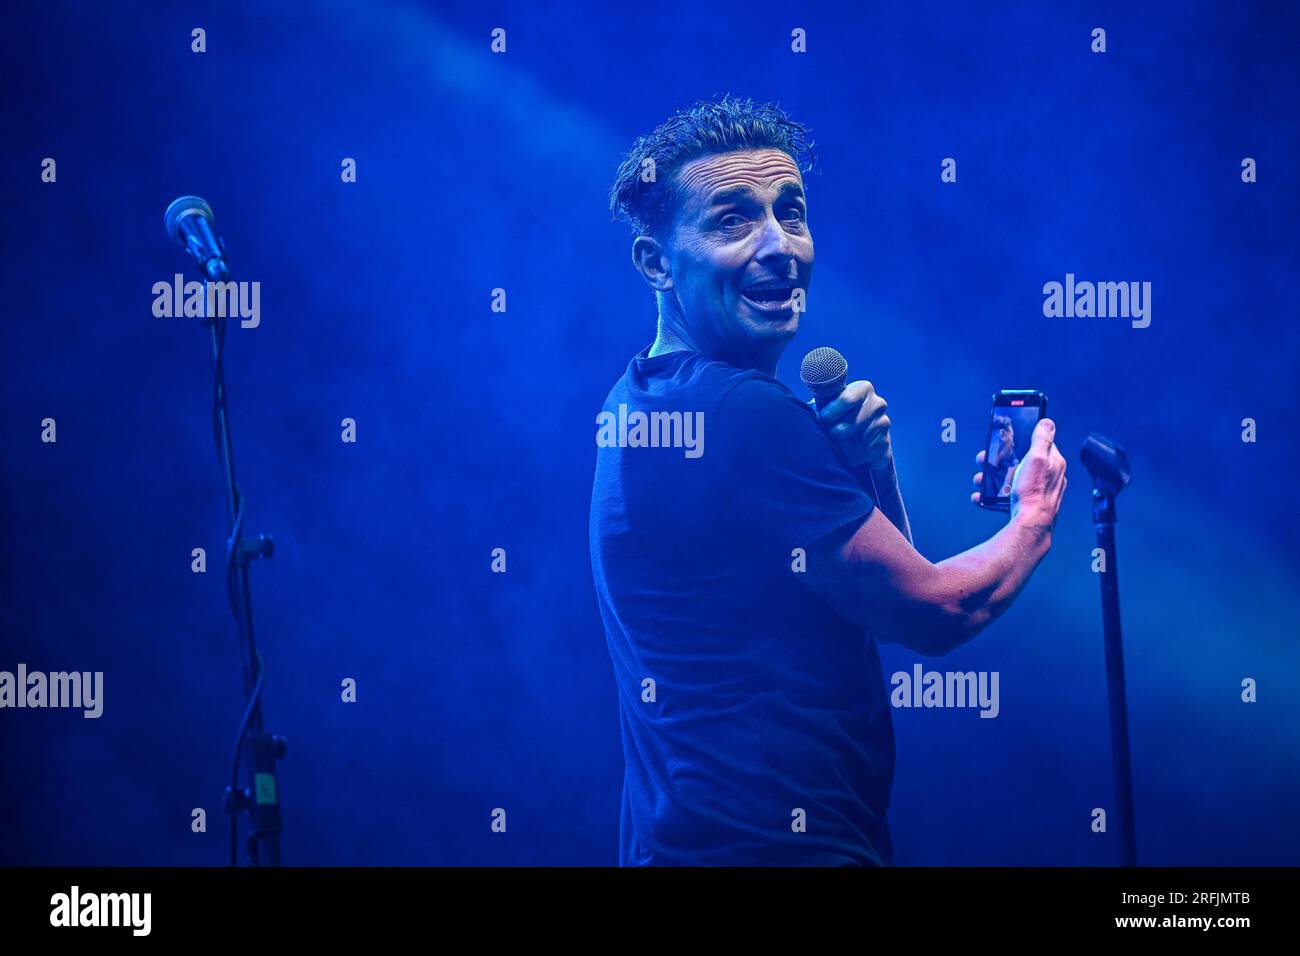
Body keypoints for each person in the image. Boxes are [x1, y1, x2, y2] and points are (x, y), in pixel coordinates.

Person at [589, 96, 1067, 865]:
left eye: (792, 213)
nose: (780, 246)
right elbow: (938, 611)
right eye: (732, 220)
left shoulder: (642, 397)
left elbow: (874, 601)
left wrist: (871, 471)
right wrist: (1034, 518)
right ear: (655, 263)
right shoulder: (741, 411)